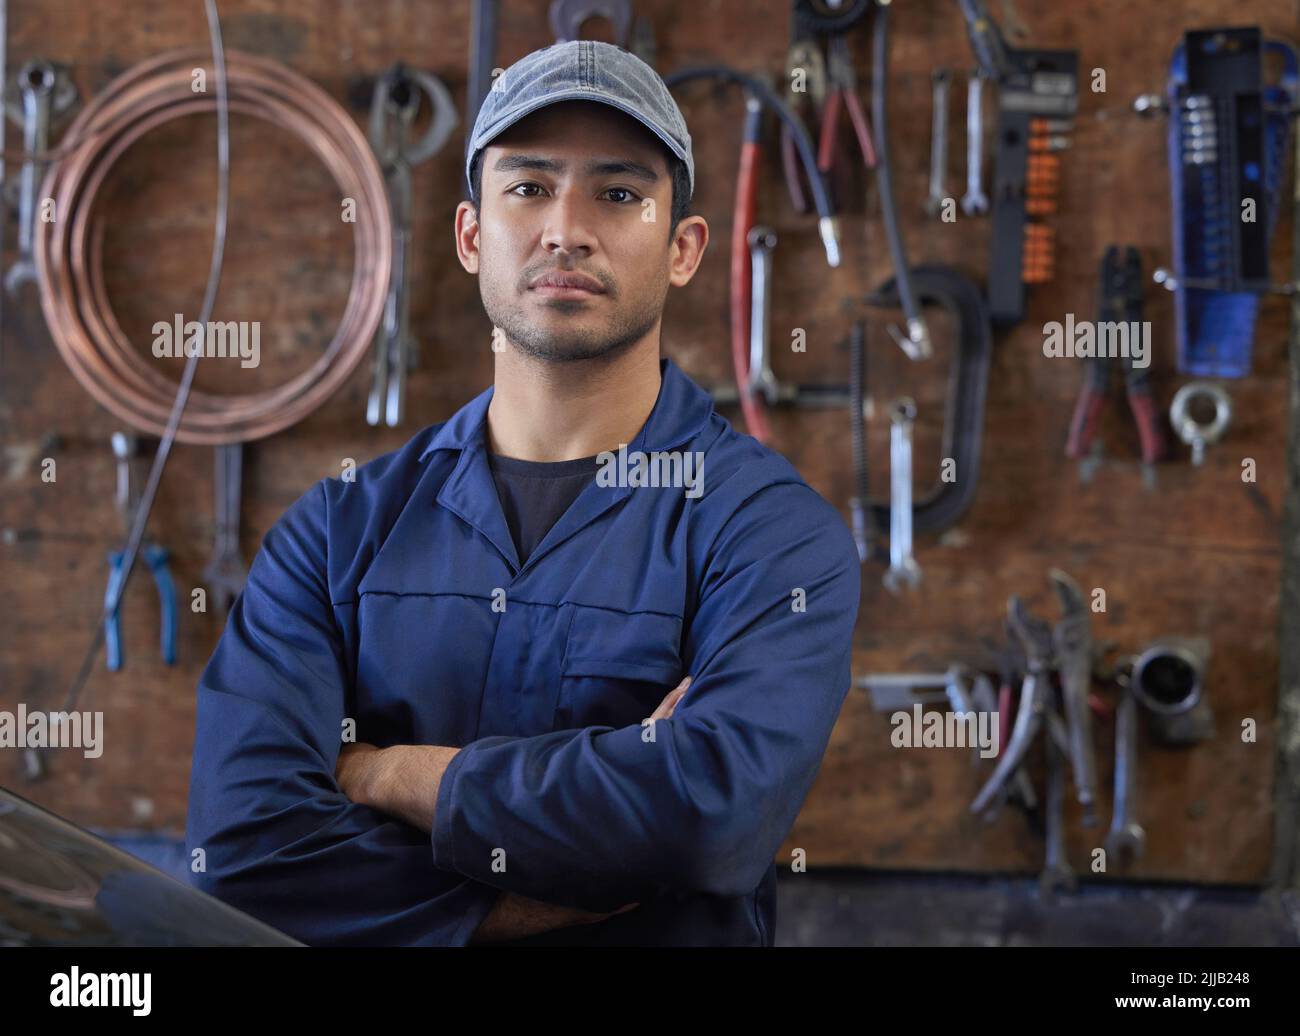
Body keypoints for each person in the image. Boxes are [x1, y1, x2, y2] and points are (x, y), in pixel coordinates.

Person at [185, 39, 860, 946]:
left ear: (685, 248)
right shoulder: (337, 530)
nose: (566, 229)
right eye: (529, 186)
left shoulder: (770, 536)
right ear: (471, 235)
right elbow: (245, 850)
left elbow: (706, 815)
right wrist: (526, 903)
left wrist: (385, 776)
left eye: (619, 194)